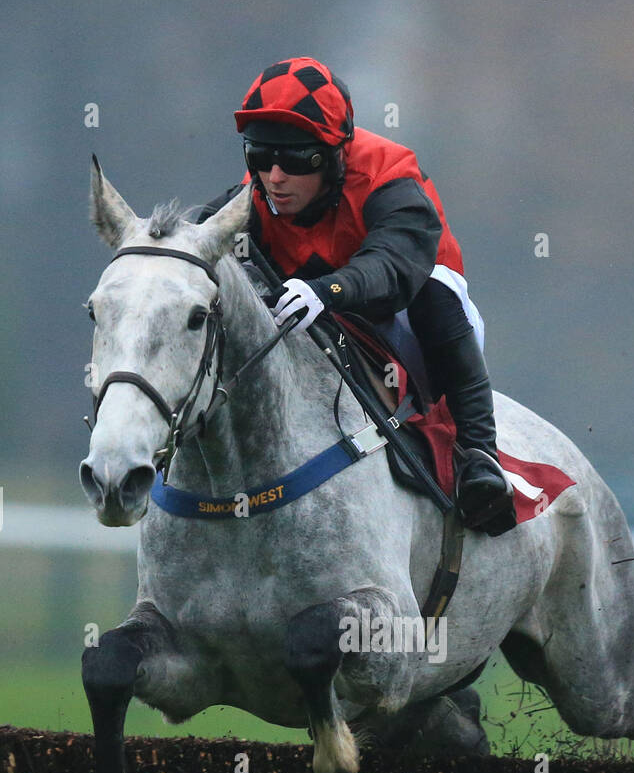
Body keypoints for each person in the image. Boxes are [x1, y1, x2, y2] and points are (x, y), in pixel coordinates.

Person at [196, 56, 516, 535]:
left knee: (435, 292)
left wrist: (327, 290)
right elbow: (192, 251)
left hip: (406, 312)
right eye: (260, 157)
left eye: (295, 159)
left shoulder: (391, 178)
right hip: (319, 314)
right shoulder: (254, 197)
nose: (275, 177)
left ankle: (480, 458)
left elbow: (392, 266)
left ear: (332, 154)